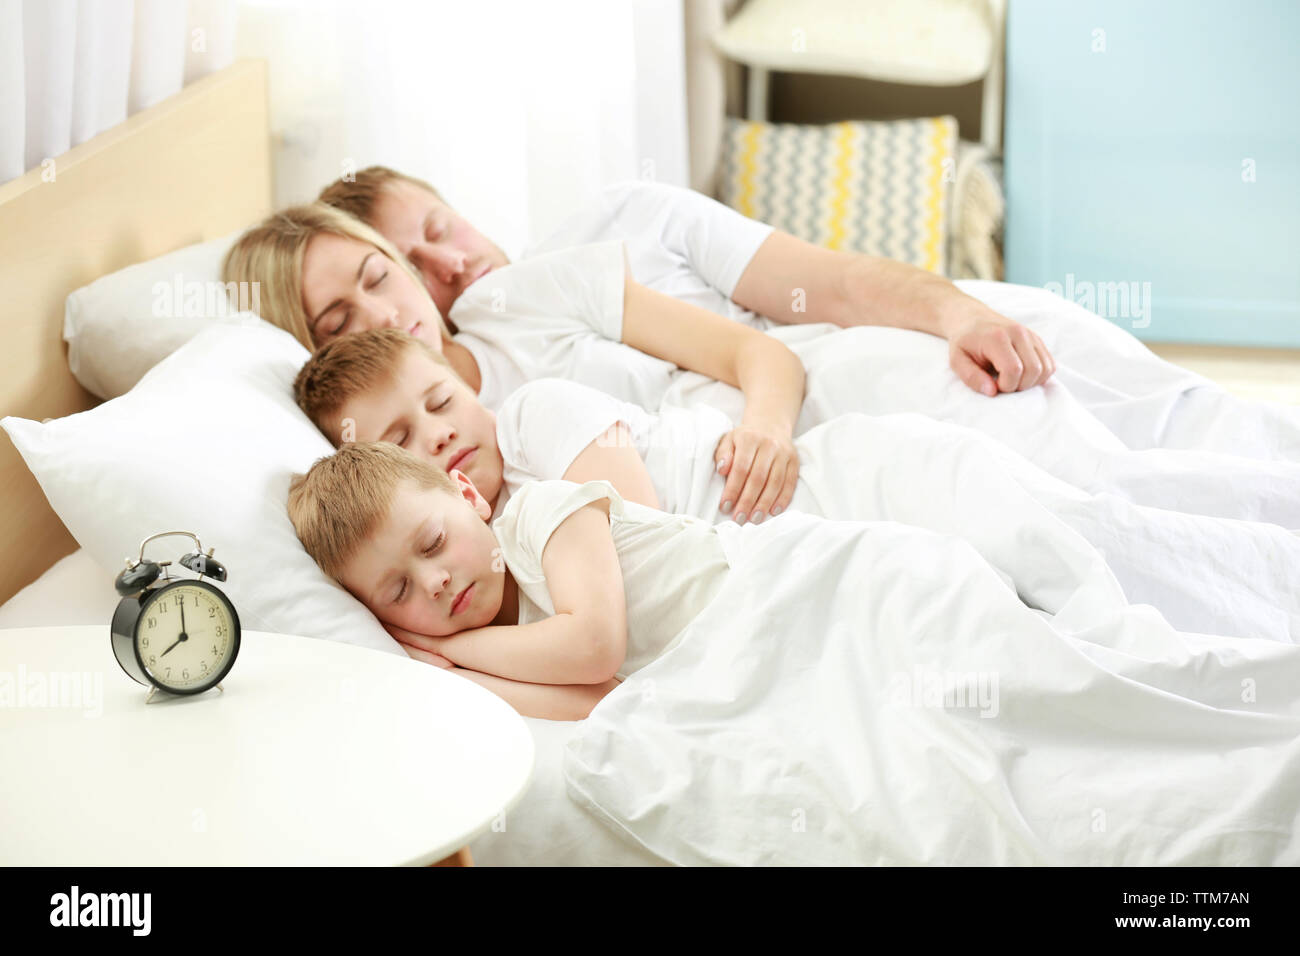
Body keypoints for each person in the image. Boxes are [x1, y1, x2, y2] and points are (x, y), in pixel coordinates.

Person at [291, 328, 1300, 644]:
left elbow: (646, 538)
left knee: (1083, 545)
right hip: (827, 533)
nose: (439, 434)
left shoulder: (539, 417)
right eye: (401, 437)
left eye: (436, 401)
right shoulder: (483, 529)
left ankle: (1260, 584)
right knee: (1037, 601)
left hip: (856, 479)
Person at [318, 167, 1300, 465]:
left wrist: (955, 312)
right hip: (837, 429)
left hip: (902, 337)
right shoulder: (478, 400)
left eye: (438, 227)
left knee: (1196, 425)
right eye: (415, 267)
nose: (449, 263)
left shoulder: (623, 223)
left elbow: (824, 283)